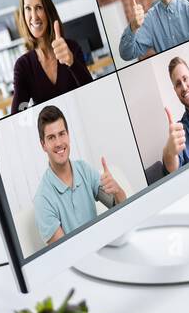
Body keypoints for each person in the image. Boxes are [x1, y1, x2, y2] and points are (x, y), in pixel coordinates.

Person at [32, 105, 127, 245]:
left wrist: (117, 190)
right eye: (51, 138)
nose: (58, 143)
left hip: (104, 247)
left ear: (68, 135)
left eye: (61, 134)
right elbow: (65, 252)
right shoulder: (42, 200)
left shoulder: (84, 169)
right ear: (43, 145)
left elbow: (122, 210)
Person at [10, 0, 93, 113]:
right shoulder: (23, 66)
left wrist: (72, 62)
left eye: (39, 7)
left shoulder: (71, 48)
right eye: (28, 9)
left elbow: (91, 91)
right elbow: (18, 112)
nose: (34, 16)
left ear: (48, 10)